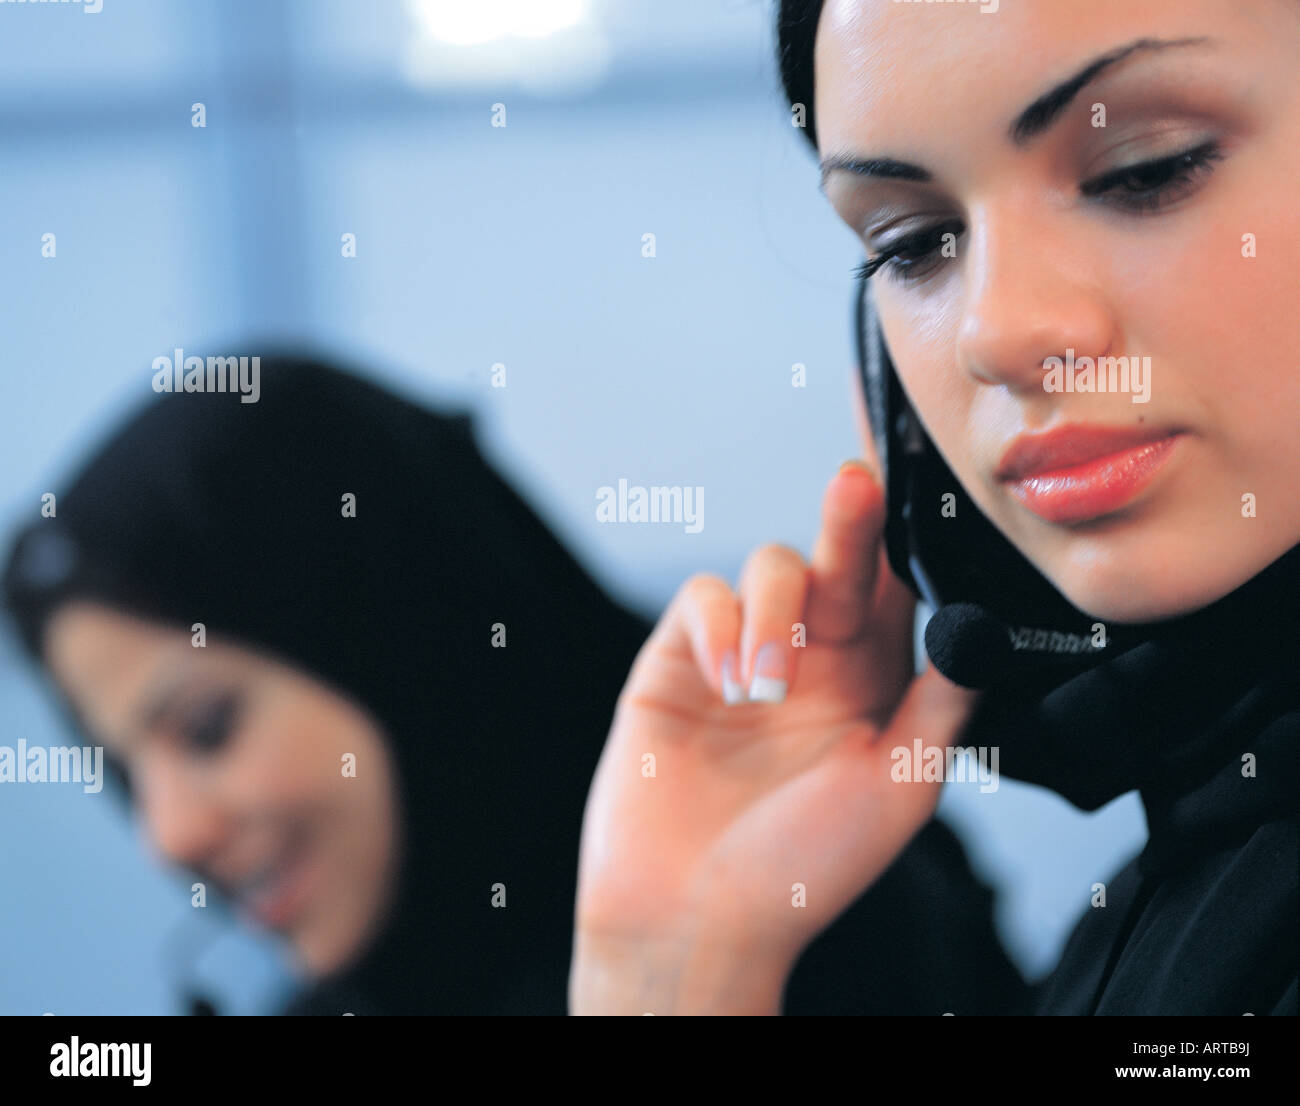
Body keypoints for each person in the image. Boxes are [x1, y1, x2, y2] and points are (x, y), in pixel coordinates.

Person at [569, 0, 1300, 1015]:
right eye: (916, 242)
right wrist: (677, 966)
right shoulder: (1170, 898)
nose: (994, 333)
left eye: (1146, 168)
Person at [3, 354, 1023, 1014]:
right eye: (121, 771)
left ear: (409, 629)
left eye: (207, 727)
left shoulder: (836, 932)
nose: (168, 835)